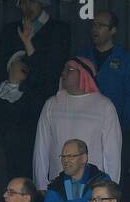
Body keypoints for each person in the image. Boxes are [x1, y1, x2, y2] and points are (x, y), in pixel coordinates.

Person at [33, 59, 122, 191]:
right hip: (57, 186)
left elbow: (112, 152)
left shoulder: (104, 106)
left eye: (69, 70)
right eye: (64, 70)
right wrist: (41, 185)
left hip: (93, 187)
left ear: (84, 74)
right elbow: (41, 148)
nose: (63, 73)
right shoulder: (51, 104)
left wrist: (110, 188)